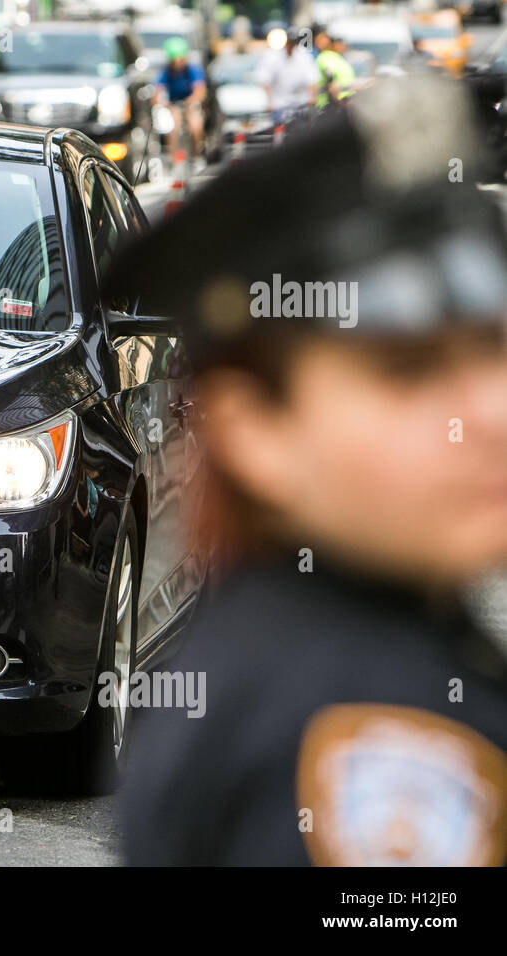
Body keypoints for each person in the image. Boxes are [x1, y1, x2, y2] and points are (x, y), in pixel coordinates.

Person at [106, 76, 507, 866]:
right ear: (254, 430)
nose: (488, 414)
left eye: (495, 350)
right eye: (408, 371)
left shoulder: (302, 648)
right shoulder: (371, 744)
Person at [153, 37, 206, 162]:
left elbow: (200, 90)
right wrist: (163, 103)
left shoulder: (193, 69)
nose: (178, 63)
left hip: (190, 103)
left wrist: (190, 102)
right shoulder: (166, 71)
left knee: (195, 125)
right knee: (173, 127)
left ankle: (197, 155)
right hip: (173, 104)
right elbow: (158, 91)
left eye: (180, 60)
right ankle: (175, 159)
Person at [255, 27, 319, 124]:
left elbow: (311, 79)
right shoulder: (273, 56)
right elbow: (265, 79)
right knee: (280, 129)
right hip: (280, 105)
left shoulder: (303, 56)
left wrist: (312, 97)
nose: (291, 46)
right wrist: (270, 101)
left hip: (300, 104)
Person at [313, 26, 355, 109]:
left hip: (344, 100)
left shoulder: (337, 57)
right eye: (319, 40)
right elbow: (329, 76)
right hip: (332, 103)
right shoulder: (323, 57)